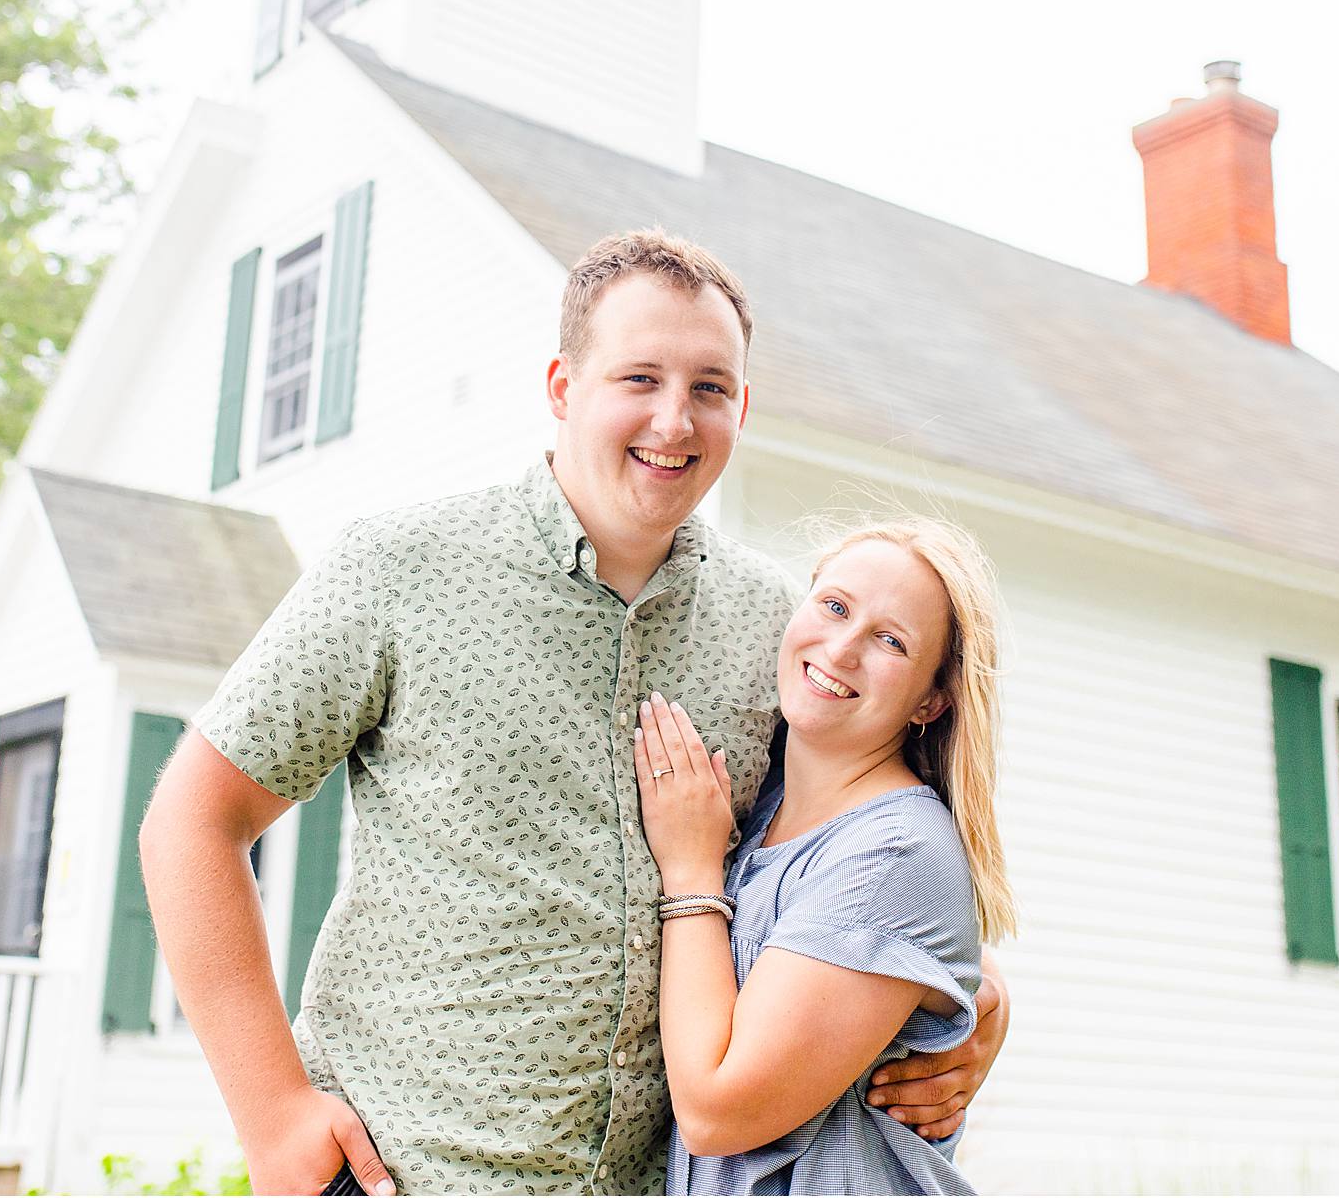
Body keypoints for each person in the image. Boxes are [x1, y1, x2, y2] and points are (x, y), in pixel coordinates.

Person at [140, 230, 1011, 1195]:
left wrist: (973, 1005)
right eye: (638, 378)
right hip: (404, 1175)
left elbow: (843, 864)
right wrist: (272, 1115)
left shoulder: (783, 633)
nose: (674, 421)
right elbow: (192, 820)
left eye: (710, 389)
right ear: (563, 386)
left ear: (743, 408)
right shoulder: (399, 570)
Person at [635, 519, 1015, 1194]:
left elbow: (717, 1111)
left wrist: (691, 868)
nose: (840, 649)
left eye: (890, 640)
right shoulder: (769, 795)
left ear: (931, 699)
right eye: (834, 606)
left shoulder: (898, 850)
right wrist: (986, 993)